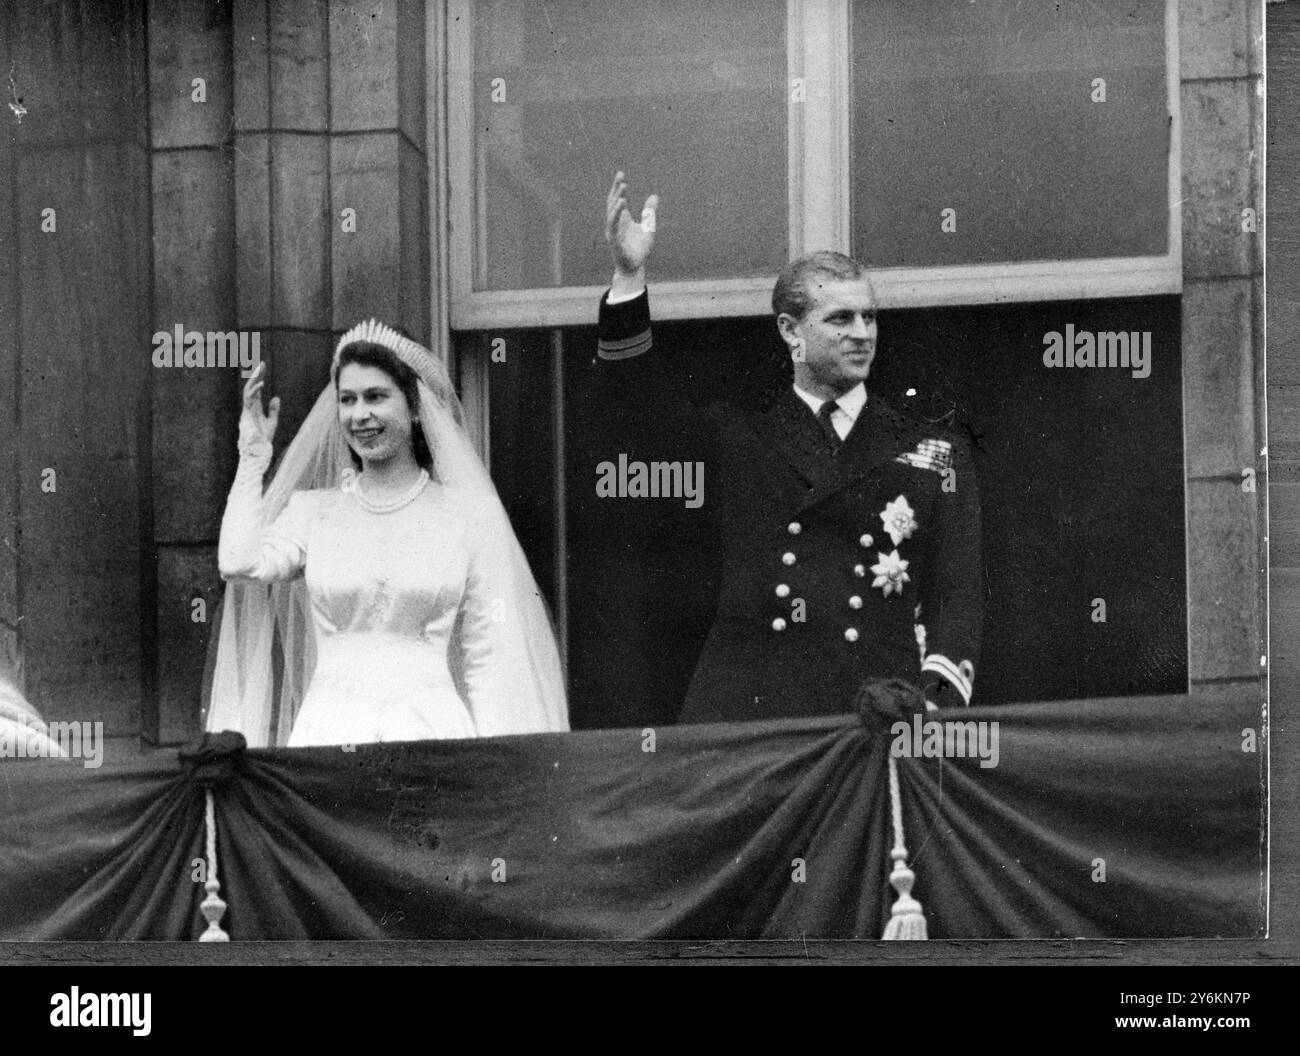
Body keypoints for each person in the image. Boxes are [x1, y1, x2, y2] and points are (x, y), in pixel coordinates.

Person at [595, 173, 982, 723]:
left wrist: (932, 705)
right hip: (754, 716)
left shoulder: (932, 450)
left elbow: (956, 598)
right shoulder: (739, 438)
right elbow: (635, 415)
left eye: (869, 317)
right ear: (790, 330)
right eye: (840, 318)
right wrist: (629, 276)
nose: (862, 333)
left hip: (876, 716)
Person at [205, 319, 568, 747]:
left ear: (415, 407)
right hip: (327, 736)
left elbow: (487, 653)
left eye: (376, 397)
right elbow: (237, 562)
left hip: (432, 737)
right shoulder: (314, 512)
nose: (360, 415)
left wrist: (490, 767)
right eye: (348, 400)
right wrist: (251, 459)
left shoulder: (468, 517)